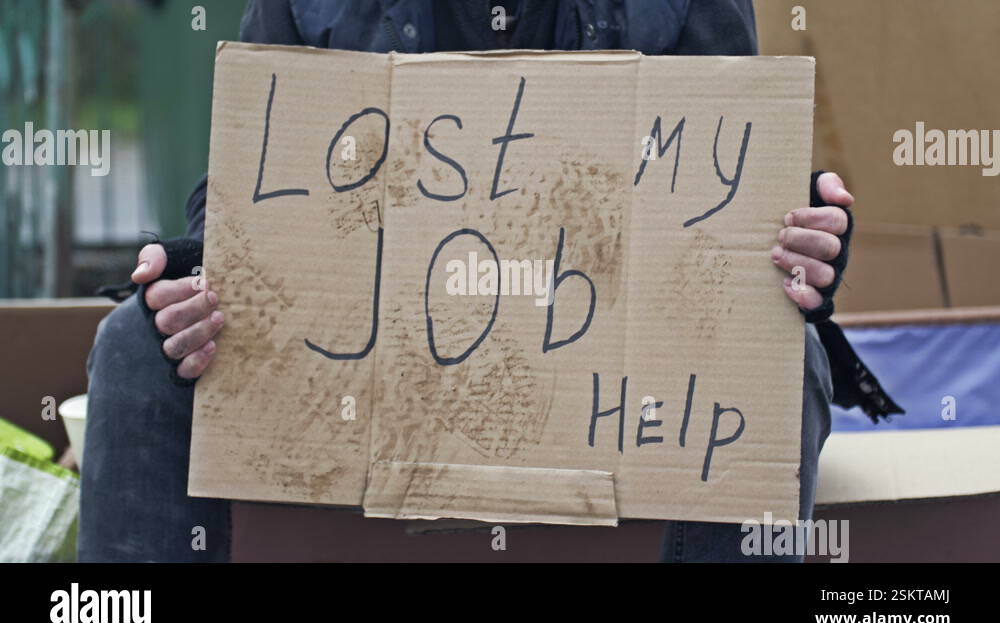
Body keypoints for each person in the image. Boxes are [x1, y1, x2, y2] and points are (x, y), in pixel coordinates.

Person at [80, 0, 898, 563]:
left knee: (785, 365)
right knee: (135, 345)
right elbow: (249, 171)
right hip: (367, 347)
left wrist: (806, 251)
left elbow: (736, 185)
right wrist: (196, 264)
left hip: (604, 356)